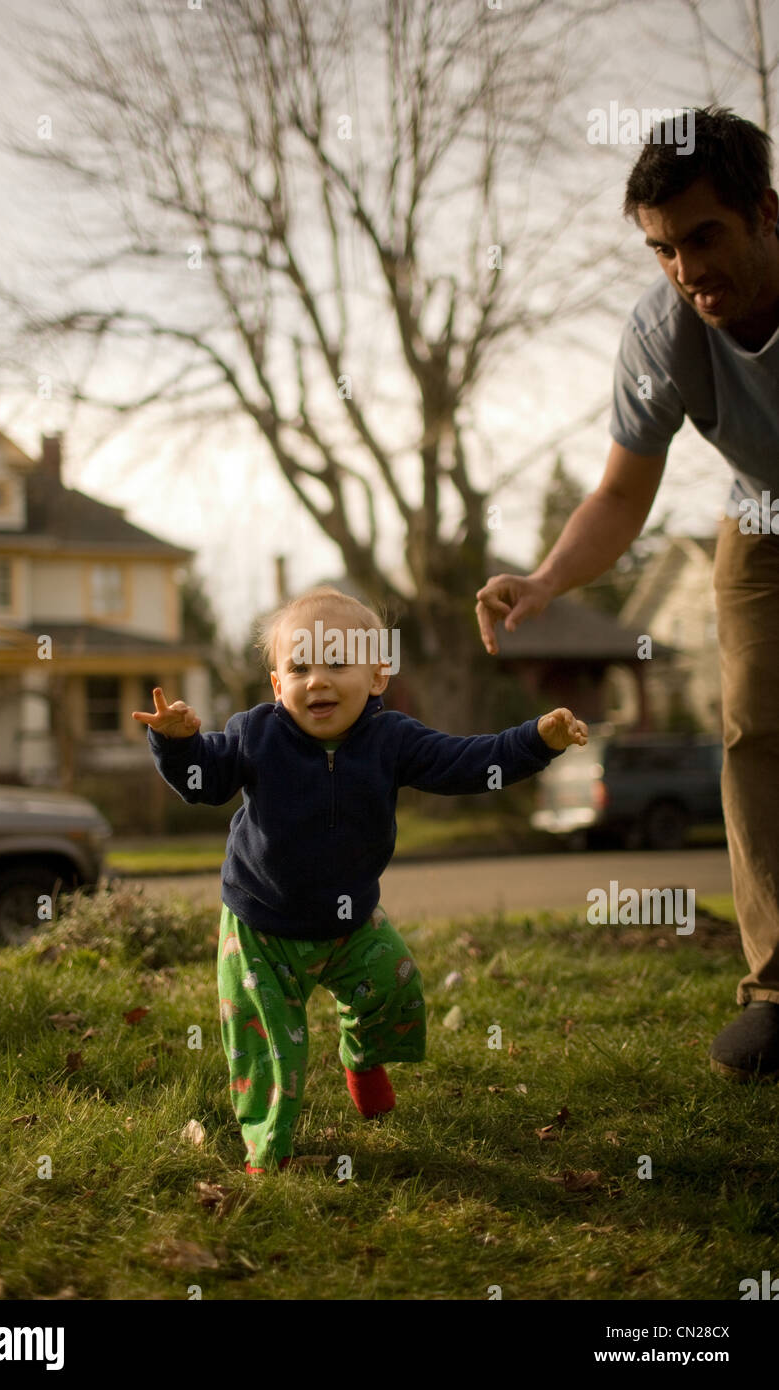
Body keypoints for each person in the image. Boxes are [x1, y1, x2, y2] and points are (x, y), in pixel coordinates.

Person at [475, 106, 779, 1081]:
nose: (685, 270)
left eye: (702, 237)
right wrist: (545, 579)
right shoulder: (661, 334)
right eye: (660, 250)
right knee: (752, 729)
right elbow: (616, 492)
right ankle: (776, 988)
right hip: (762, 516)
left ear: (764, 214)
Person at [132, 586, 588, 1173]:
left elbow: (467, 762)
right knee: (270, 1048)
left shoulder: (391, 740)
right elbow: (204, 782)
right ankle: (267, 1153)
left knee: (394, 989)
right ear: (276, 686)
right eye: (299, 667)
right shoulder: (256, 734)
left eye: (337, 663)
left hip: (351, 922)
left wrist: (535, 741)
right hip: (261, 927)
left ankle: (363, 1060)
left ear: (377, 677)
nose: (316, 680)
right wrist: (176, 744)